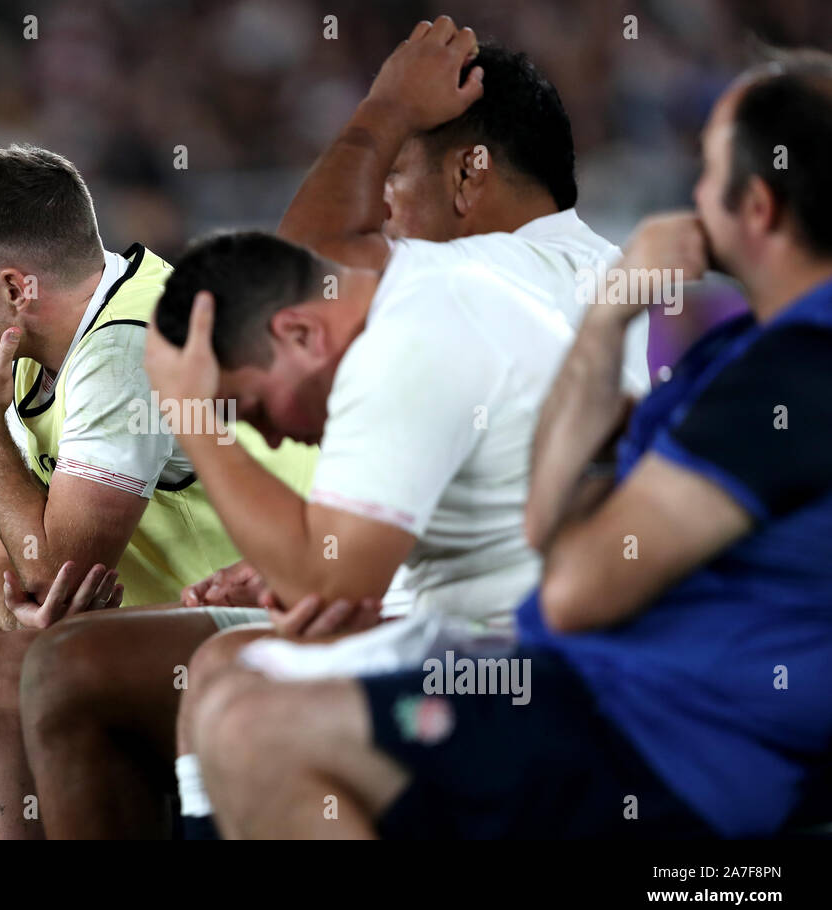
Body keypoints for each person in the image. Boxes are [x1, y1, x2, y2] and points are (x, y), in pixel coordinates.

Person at [19, 18, 647, 839]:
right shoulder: (550, 276)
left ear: (470, 174)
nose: (375, 217)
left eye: (390, 186)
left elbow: (296, 261)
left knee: (158, 686)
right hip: (501, 629)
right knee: (201, 677)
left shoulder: (464, 278)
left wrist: (383, 108)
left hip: (535, 663)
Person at [192, 49, 832, 839]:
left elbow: (573, 588)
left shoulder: (795, 375)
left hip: (674, 743)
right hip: (618, 693)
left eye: (704, 170)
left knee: (255, 728)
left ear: (759, 207)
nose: (691, 197)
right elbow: (554, 524)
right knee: (235, 692)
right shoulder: (740, 355)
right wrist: (606, 320)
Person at [0, 144, 315, 837]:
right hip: (151, 615)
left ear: (18, 288)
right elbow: (1, 564)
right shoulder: (24, 353)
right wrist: (17, 604)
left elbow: (52, 569)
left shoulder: (119, 349)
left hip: (256, 605)